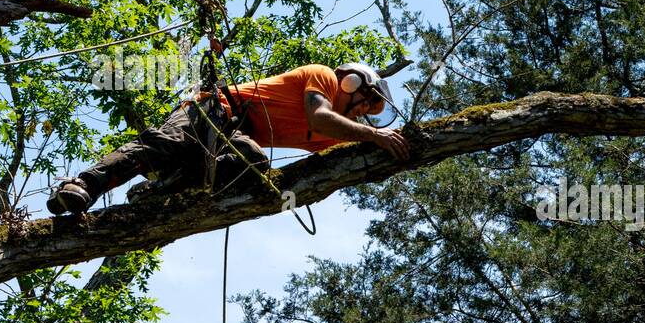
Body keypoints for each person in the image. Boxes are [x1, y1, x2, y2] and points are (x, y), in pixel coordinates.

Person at [47, 62, 409, 214]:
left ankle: (159, 192)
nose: (363, 114)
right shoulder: (324, 78)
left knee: (253, 163)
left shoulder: (333, 137)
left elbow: (345, 152)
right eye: (365, 105)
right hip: (216, 110)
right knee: (168, 144)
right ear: (353, 83)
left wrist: (381, 145)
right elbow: (321, 117)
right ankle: (84, 185)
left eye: (369, 115)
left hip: (236, 138)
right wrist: (374, 136)